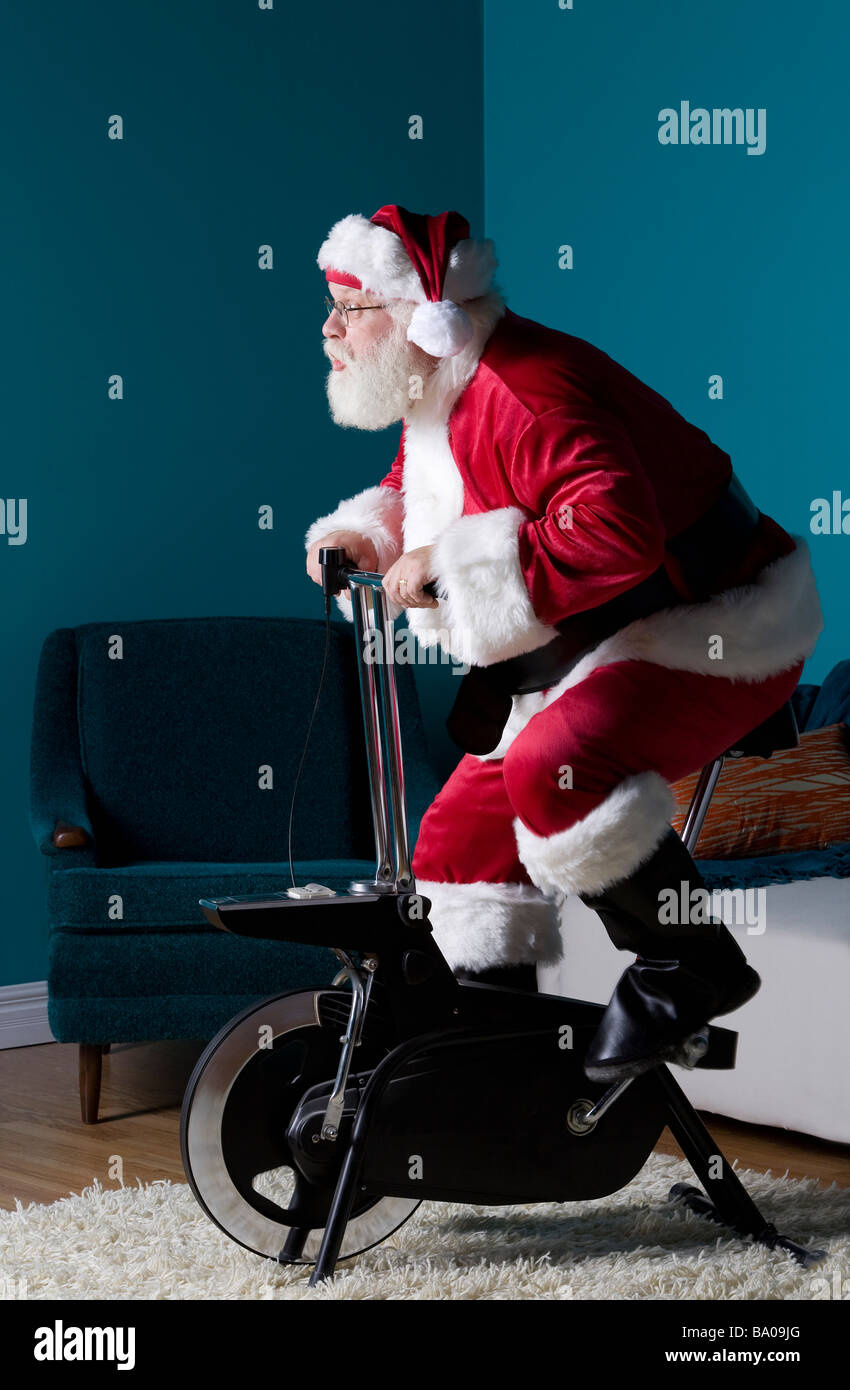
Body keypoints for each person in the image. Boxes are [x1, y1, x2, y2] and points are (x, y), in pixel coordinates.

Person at [304, 203, 823, 1084]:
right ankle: (488, 1064)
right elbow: (428, 479)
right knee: (456, 841)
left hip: (714, 619)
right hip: (589, 630)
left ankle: (690, 964)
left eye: (349, 308)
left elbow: (617, 531)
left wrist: (451, 564)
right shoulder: (444, 377)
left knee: (557, 764)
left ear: (417, 315)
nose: (330, 328)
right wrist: (373, 537)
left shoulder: (525, 391)